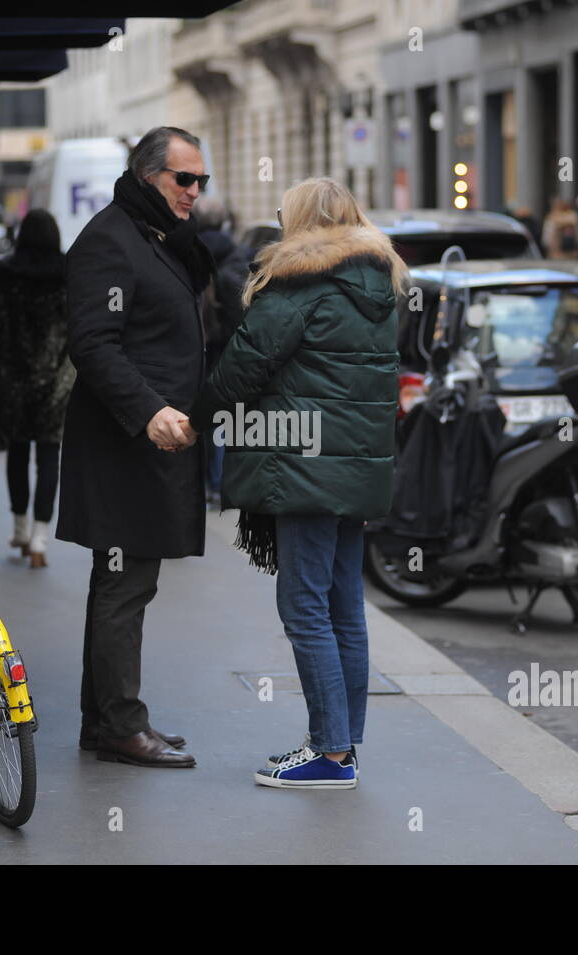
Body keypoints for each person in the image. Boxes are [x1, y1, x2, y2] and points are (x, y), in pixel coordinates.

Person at [187, 177, 409, 789]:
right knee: (344, 608)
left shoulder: (303, 282)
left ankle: (330, 754)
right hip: (353, 468)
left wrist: (194, 419)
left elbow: (244, 364)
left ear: (305, 221)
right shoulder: (379, 285)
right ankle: (344, 746)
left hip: (304, 467)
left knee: (304, 606)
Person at [55, 126, 214, 769]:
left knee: (122, 585)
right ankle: (121, 724)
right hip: (125, 445)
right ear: (150, 176)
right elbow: (93, 344)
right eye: (185, 179)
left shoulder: (151, 235)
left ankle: (106, 721)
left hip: (149, 443)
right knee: (124, 586)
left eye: (202, 181)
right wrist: (149, 411)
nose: (195, 192)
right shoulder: (110, 239)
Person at [0, 210, 75, 569]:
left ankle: (18, 530)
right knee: (49, 457)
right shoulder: (69, 272)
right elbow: (79, 332)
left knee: (17, 454)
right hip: (57, 382)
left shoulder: (4, 273)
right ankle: (39, 539)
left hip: (12, 380)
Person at [193, 195, 251, 506]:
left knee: (199, 418)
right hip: (227, 351)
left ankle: (201, 481)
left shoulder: (187, 252)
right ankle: (219, 483)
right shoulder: (236, 255)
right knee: (224, 420)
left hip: (196, 349)